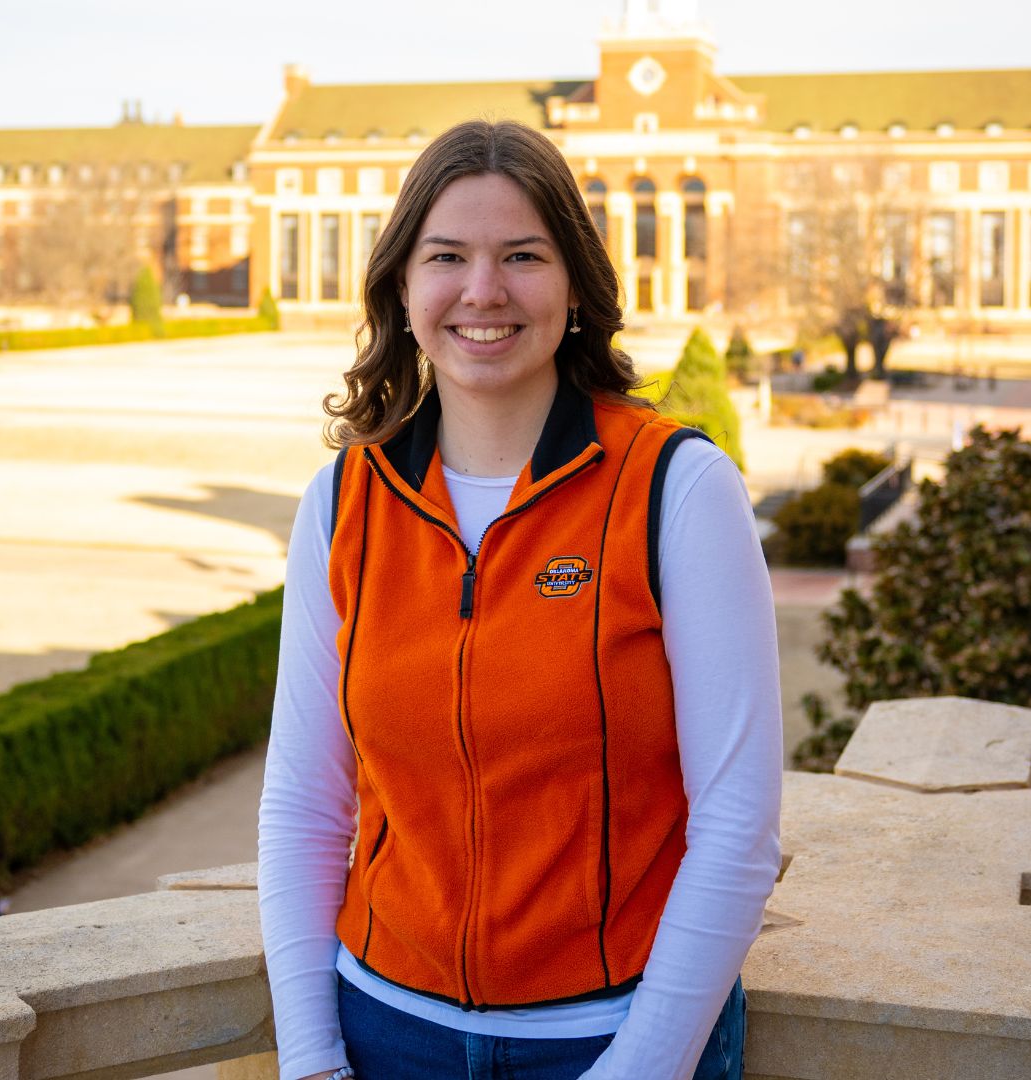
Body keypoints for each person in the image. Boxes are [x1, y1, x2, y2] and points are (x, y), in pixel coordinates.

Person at [258, 119, 782, 1080]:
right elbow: (304, 805)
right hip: (384, 1028)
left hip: (618, 1035)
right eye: (447, 256)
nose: (483, 291)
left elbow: (738, 825)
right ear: (402, 288)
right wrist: (310, 1057)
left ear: (576, 285)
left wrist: (639, 1067)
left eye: (523, 257)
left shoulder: (678, 489)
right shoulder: (343, 502)